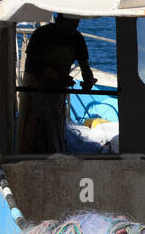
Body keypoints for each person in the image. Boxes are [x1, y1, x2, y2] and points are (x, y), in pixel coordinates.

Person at [18, 14, 95, 153]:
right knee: (33, 128)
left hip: (58, 91)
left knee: (54, 127)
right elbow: (34, 67)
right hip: (35, 89)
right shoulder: (41, 34)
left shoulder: (77, 38)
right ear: (59, 21)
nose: (70, 31)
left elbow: (85, 66)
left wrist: (88, 81)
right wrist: (58, 77)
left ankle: (53, 153)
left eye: (75, 26)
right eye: (68, 26)